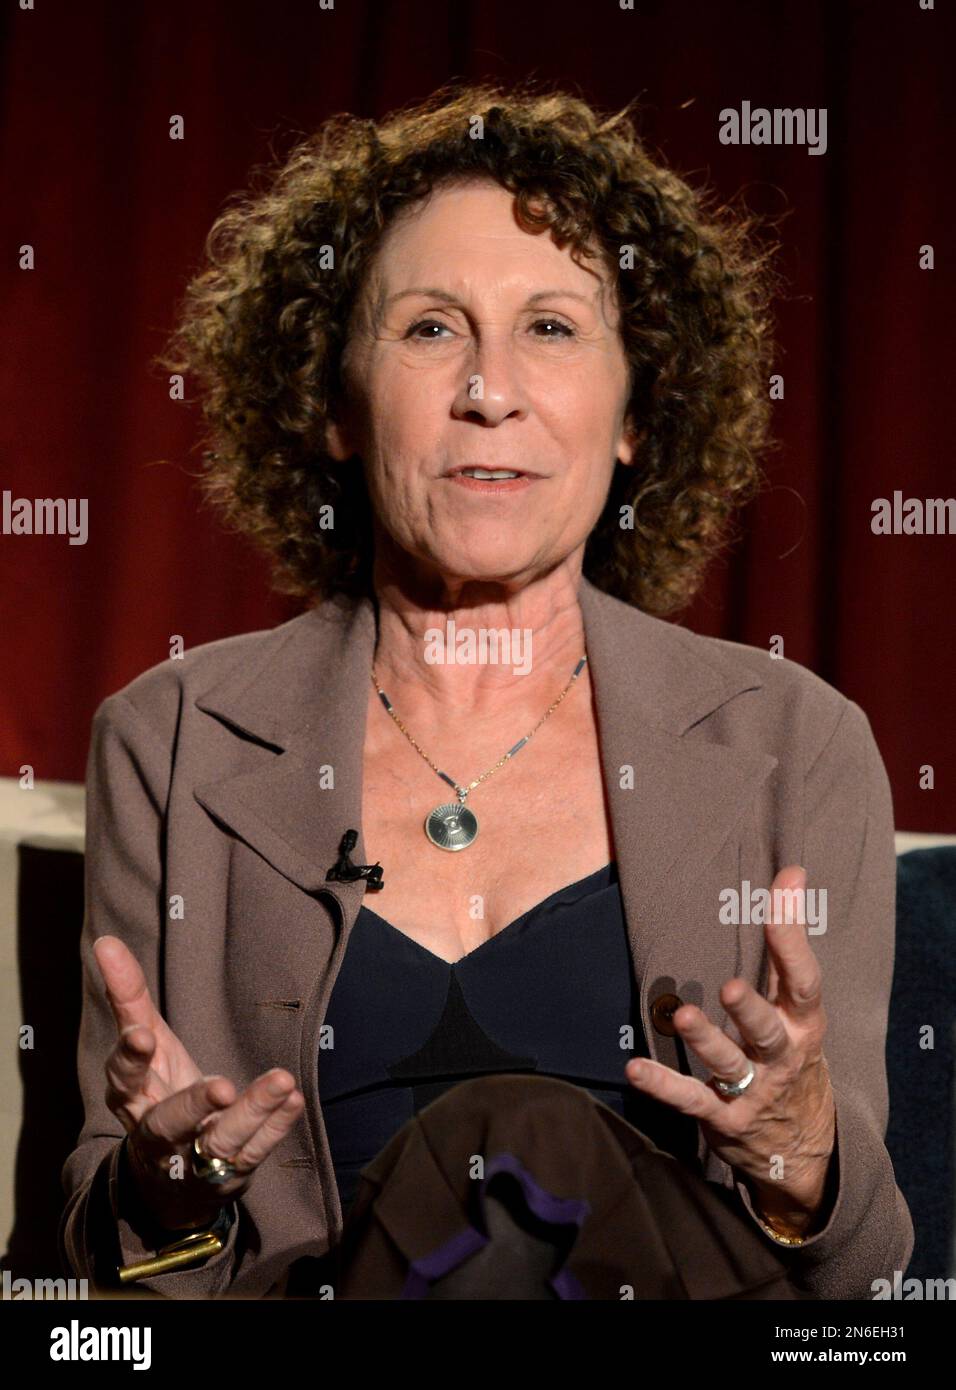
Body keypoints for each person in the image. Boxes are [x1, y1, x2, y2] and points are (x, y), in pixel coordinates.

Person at [58, 80, 913, 1300]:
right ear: (337, 402)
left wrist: (799, 1154)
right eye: (428, 329)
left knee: (528, 1142)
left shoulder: (792, 742)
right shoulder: (173, 739)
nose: (488, 389)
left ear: (634, 414)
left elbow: (867, 1275)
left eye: (553, 329)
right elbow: (119, 1260)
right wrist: (168, 1177)